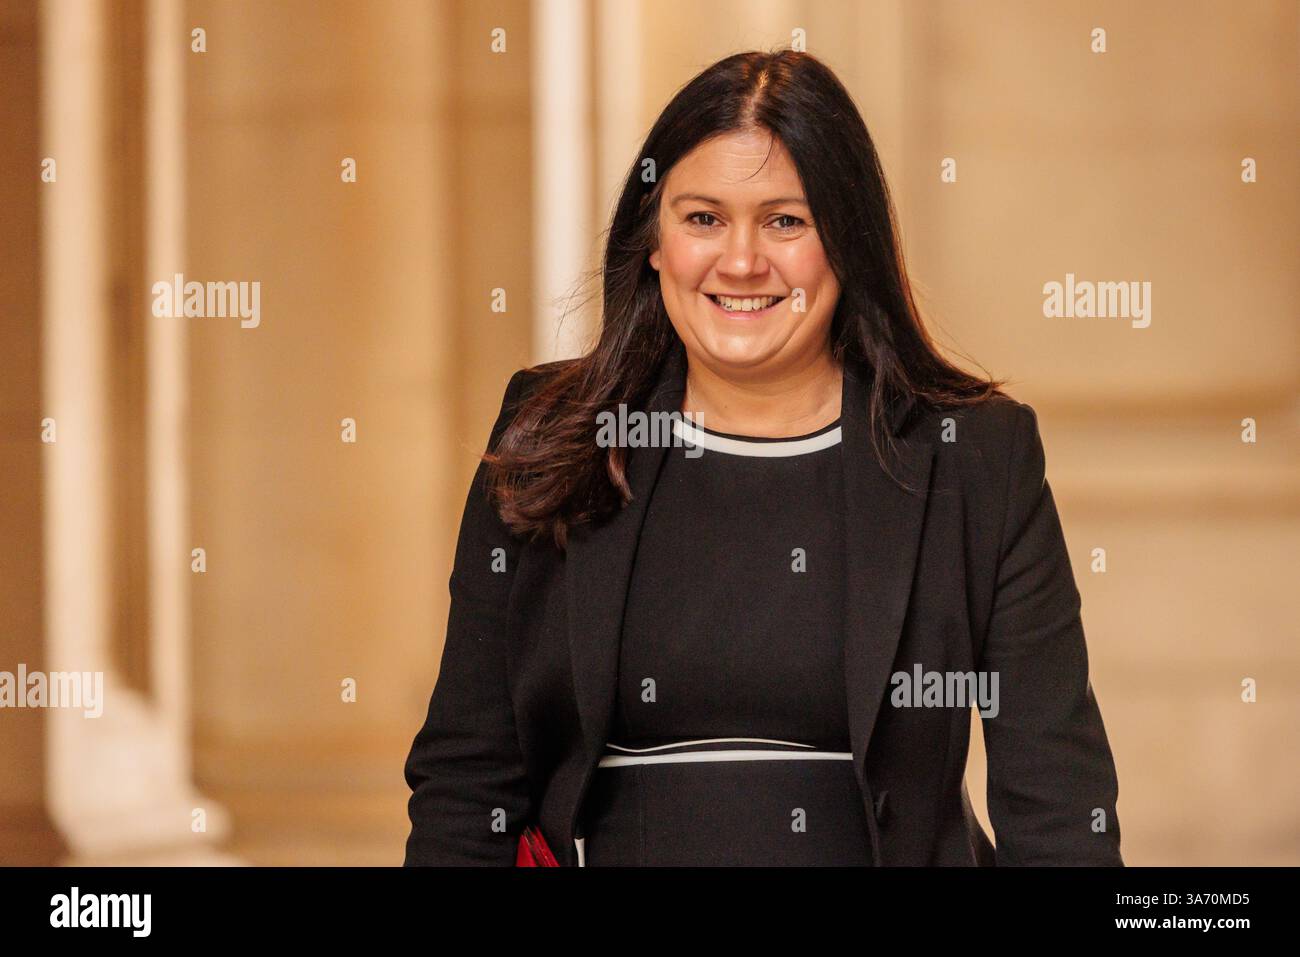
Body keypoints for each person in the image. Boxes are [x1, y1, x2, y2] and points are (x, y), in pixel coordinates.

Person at [403, 49, 1122, 866]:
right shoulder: (550, 435)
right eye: (702, 218)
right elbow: (466, 779)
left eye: (786, 220)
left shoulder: (975, 457)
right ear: (651, 241)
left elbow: (1059, 802)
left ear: (846, 243)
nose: (741, 262)